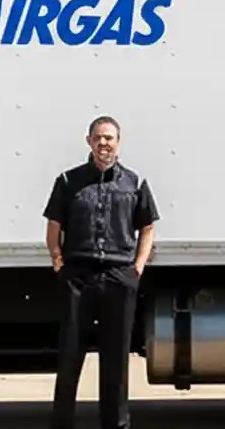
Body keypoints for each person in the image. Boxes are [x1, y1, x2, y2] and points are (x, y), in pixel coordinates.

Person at [43, 115, 159, 429]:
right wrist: (57, 258)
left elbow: (147, 227)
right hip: (78, 276)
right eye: (98, 137)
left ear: (118, 142)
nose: (103, 143)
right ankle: (62, 423)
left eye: (109, 137)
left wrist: (137, 268)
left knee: (116, 357)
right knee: (70, 354)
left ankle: (116, 423)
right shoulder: (68, 181)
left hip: (118, 277)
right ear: (89, 141)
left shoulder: (134, 182)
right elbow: (54, 224)